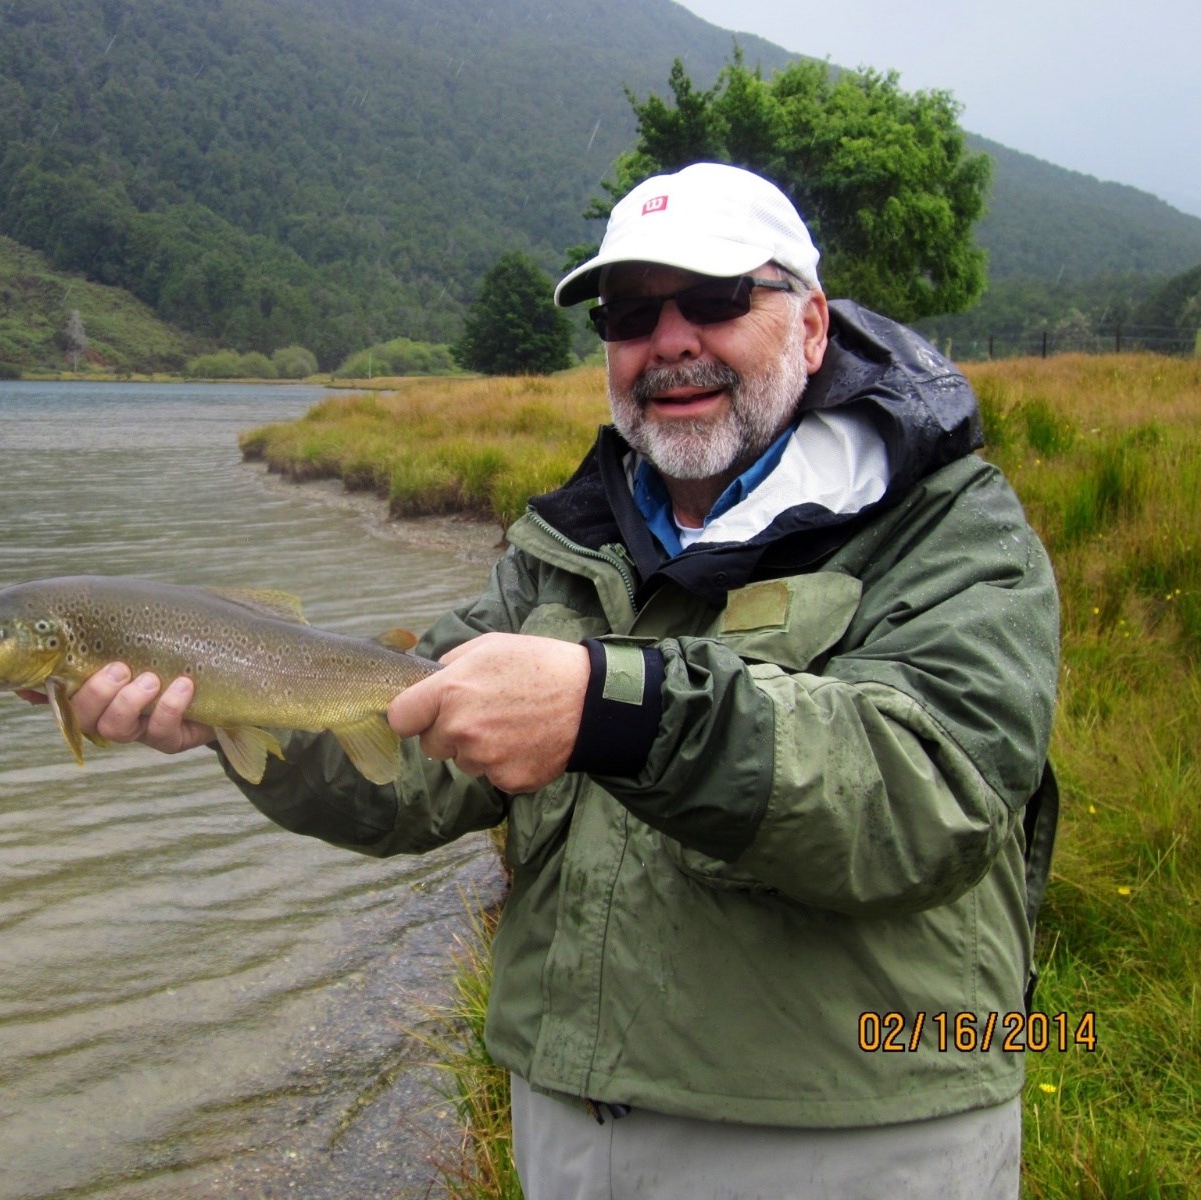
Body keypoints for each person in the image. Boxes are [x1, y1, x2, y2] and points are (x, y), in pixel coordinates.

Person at [61, 163, 1060, 1199]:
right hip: (571, 1132)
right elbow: (405, 773)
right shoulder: (565, 546)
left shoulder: (946, 525)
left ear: (810, 326)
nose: (669, 341)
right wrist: (230, 715)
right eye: (630, 314)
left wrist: (610, 711)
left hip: (850, 1138)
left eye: (715, 300)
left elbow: (927, 795)